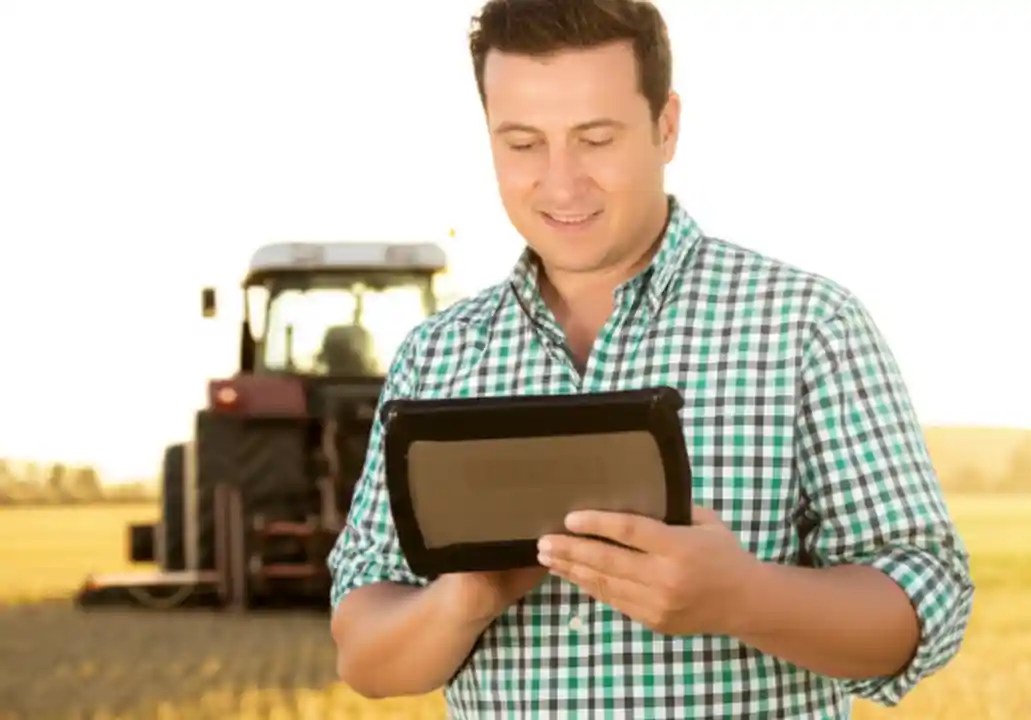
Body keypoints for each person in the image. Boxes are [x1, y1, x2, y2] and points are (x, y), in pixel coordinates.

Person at [326, 0, 975, 716]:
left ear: (666, 127)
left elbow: (928, 597)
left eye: (595, 138)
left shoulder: (806, 326)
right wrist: (467, 596)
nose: (561, 182)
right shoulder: (436, 355)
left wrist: (741, 597)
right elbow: (363, 651)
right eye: (522, 144)